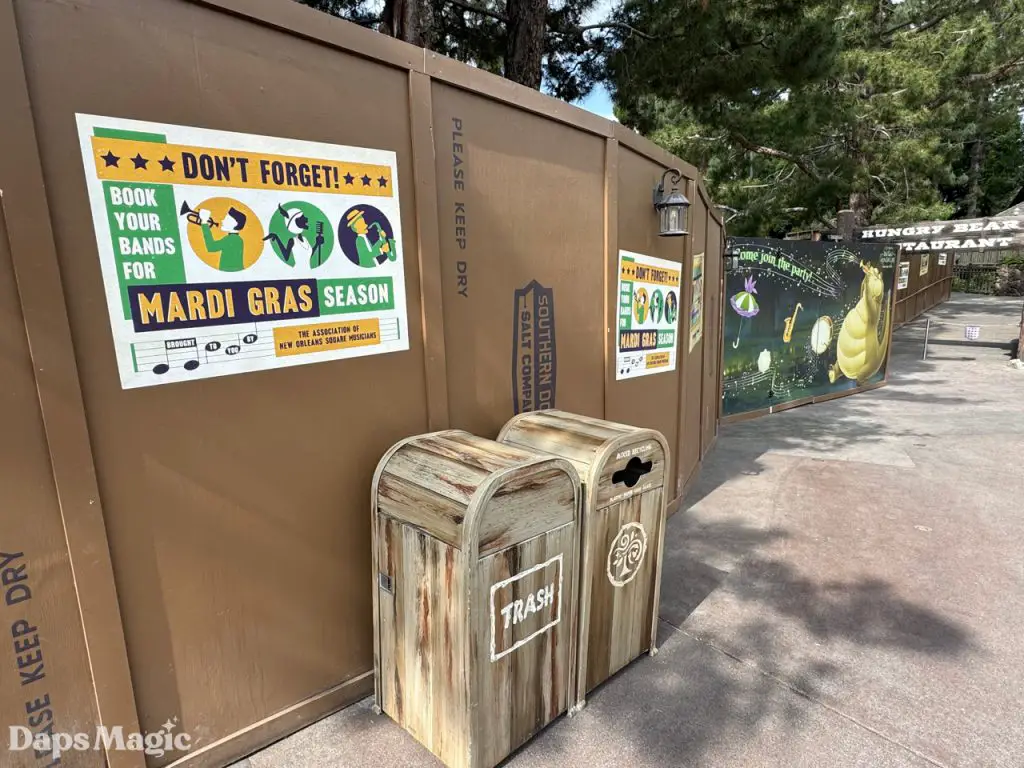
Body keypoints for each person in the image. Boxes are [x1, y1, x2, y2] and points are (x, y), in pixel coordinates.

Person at [199, 207, 248, 272]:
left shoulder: (231, 239)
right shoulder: (236, 239)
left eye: (226, 219)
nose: (222, 220)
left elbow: (211, 247)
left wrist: (204, 222)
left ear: (234, 224)